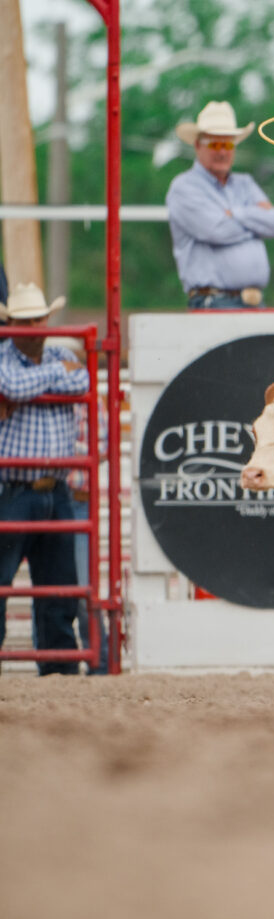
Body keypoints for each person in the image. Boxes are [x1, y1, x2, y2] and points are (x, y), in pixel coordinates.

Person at [0, 282, 91, 675]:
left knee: (59, 588)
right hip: (13, 488)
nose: (34, 326)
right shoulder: (51, 357)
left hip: (53, 488)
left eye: (38, 319)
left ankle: (59, 670)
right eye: (26, 321)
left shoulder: (56, 355)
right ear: (13, 324)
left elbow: (82, 381)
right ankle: (58, 668)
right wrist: (55, 375)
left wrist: (33, 385)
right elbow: (10, 385)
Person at [166, 101, 274, 309]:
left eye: (228, 144)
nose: (222, 152)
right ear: (197, 145)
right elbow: (216, 230)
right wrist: (255, 225)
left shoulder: (245, 183)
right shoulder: (183, 187)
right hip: (213, 302)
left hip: (254, 302)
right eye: (215, 144)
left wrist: (234, 214)